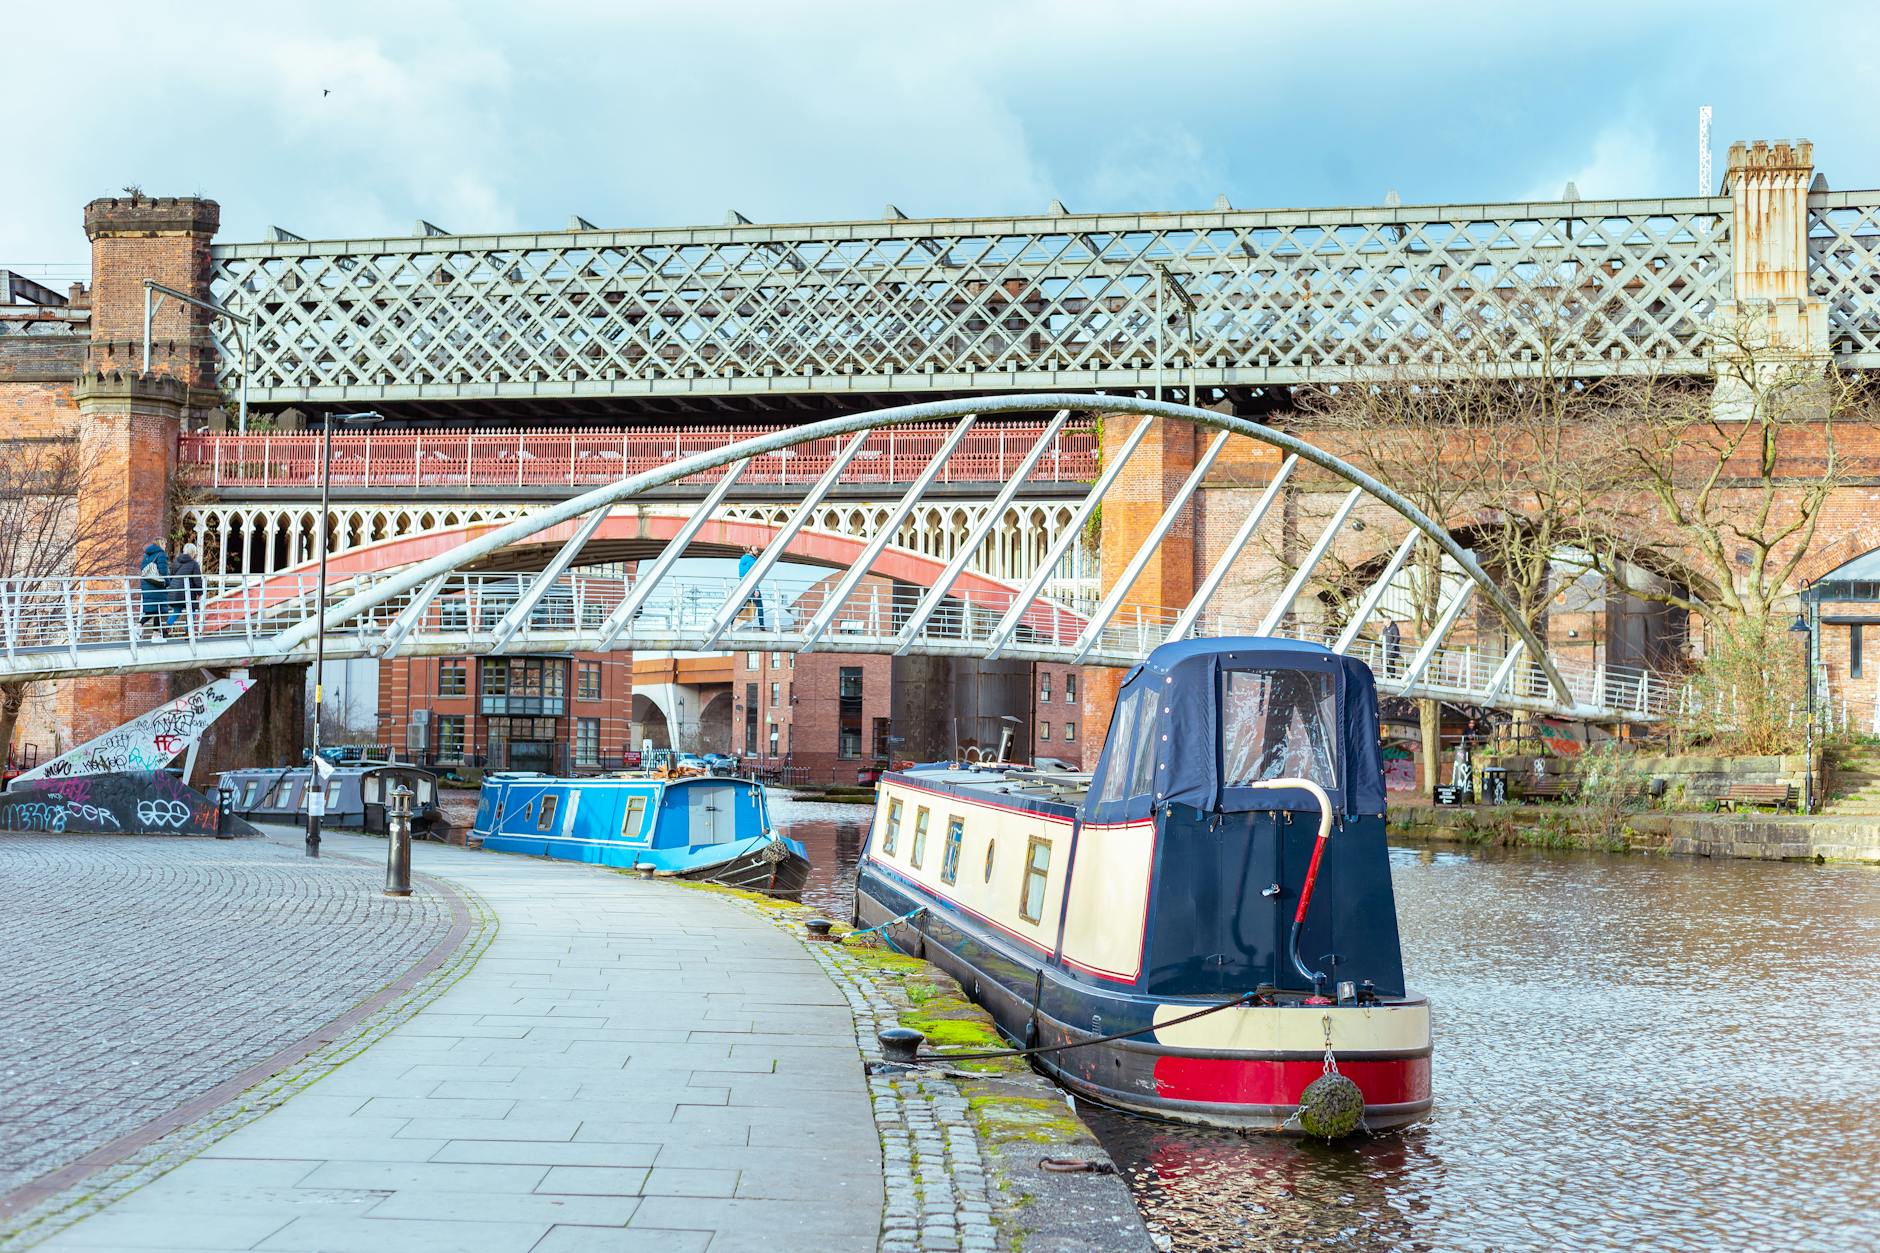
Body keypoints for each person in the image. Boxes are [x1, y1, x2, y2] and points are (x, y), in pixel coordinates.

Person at [167, 542, 204, 635]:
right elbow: (197, 580)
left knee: (177, 610)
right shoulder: (194, 564)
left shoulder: (176, 561)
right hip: (188, 593)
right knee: (191, 611)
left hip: (175, 591)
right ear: (193, 553)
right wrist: (199, 593)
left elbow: (171, 576)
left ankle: (167, 626)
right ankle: (187, 632)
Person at [137, 541, 170, 638]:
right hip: (157, 585)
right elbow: (163, 571)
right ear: (161, 544)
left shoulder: (147, 555)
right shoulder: (161, 554)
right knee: (157, 610)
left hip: (147, 585)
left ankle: (155, 633)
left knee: (156, 610)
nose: (165, 546)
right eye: (164, 544)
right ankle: (140, 625)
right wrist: (168, 583)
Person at [737, 545, 767, 630]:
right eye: (755, 550)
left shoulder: (743, 560)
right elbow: (753, 576)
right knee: (760, 606)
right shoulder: (751, 560)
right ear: (750, 551)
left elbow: (743, 575)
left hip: (744, 586)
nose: (757, 551)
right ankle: (762, 626)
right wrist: (756, 589)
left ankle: (730, 622)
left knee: (742, 605)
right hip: (752, 587)